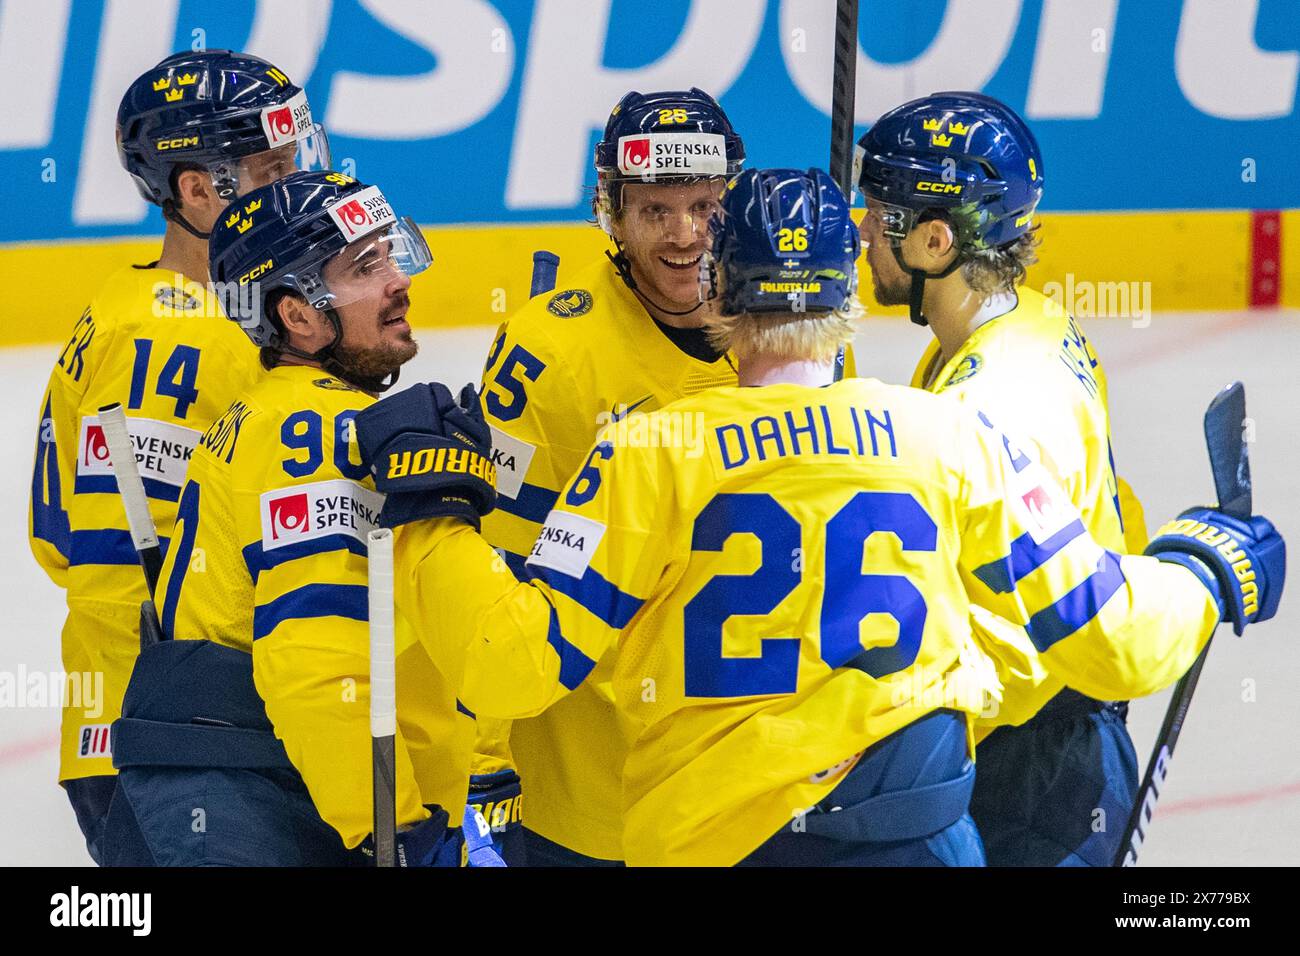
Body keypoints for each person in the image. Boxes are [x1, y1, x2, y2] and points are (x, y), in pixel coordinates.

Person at [355, 167, 1285, 865]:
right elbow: (1115, 635)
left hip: (714, 844)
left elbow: (509, 667)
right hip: (912, 837)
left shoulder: (643, 453)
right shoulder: (947, 437)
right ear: (848, 296)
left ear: (717, 294)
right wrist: (1203, 572)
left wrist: (435, 515)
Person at [100, 171, 487, 866]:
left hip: (218, 779)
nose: (398, 280)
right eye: (365, 266)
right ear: (298, 317)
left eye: (390, 253)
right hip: (242, 801)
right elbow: (314, 665)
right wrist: (395, 831)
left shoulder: (276, 409)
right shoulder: (317, 431)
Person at [27, 49, 330, 865]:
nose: (296, 183)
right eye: (273, 169)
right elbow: (119, 567)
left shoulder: (167, 307)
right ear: (199, 191)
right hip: (167, 745)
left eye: (296, 158)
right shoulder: (171, 338)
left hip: (188, 734)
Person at [856, 91, 1149, 865]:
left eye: (877, 214)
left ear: (934, 239)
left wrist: (901, 740)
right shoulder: (1017, 325)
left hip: (1038, 767)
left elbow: (1016, 628)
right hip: (1054, 734)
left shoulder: (999, 394)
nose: (858, 232)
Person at [476, 88, 762, 866]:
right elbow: (495, 566)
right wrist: (483, 761)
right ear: (613, 213)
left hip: (756, 779)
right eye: (655, 212)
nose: (684, 237)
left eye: (705, 207)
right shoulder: (547, 352)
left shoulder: (791, 331)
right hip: (596, 786)